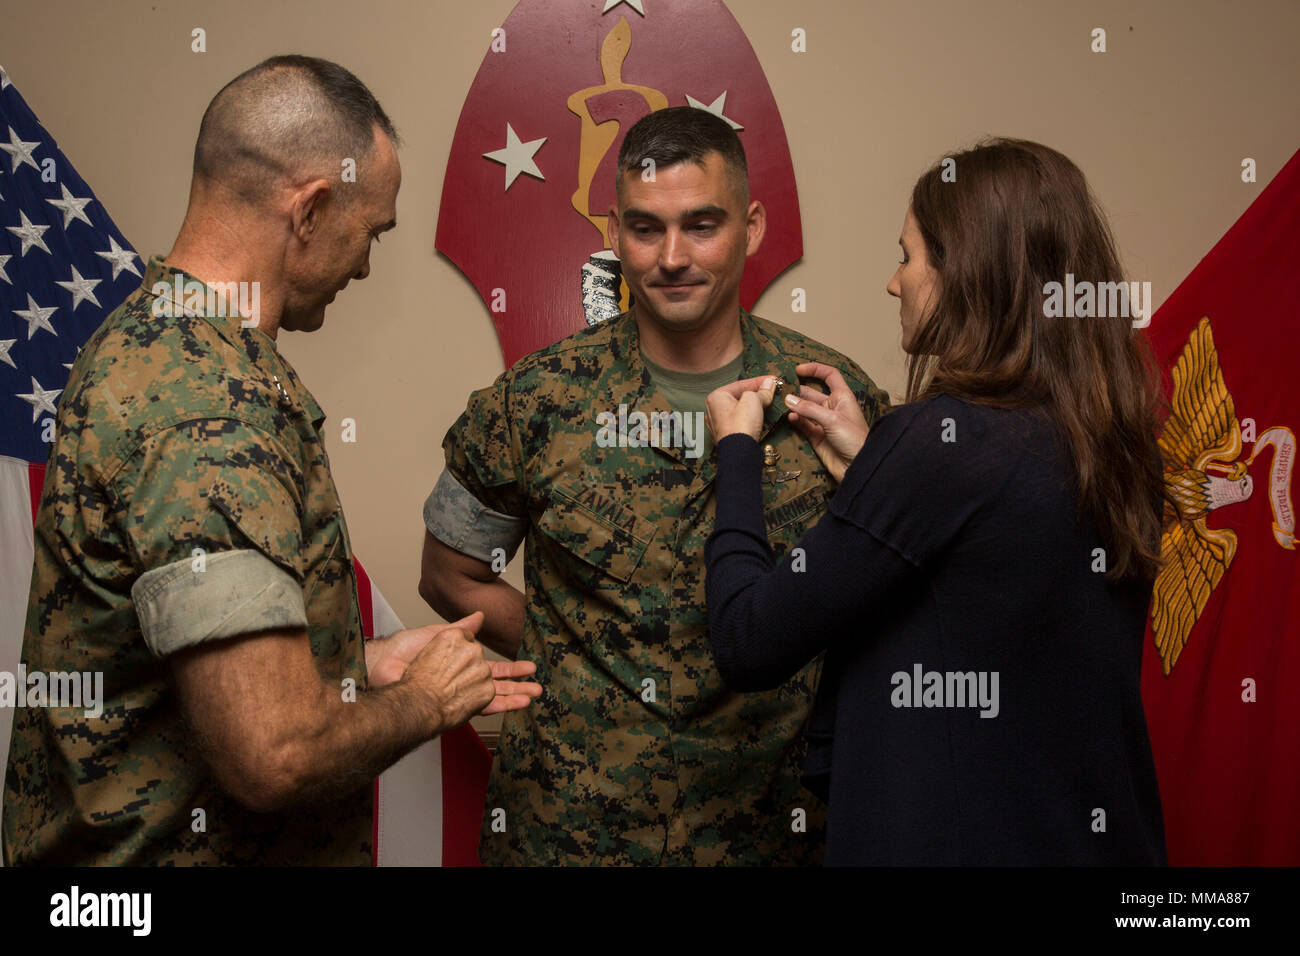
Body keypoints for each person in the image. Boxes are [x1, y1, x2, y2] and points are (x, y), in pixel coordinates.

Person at [2, 55, 540, 866]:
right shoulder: (204, 403)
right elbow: (273, 755)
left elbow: (184, 678)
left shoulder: (156, 338)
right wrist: (428, 701)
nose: (364, 265)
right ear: (313, 208)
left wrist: (358, 665)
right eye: (372, 234)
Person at [419, 106, 891, 865]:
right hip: (570, 834)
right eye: (645, 228)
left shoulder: (833, 399)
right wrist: (580, 659)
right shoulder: (534, 401)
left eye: (702, 225)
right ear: (612, 231)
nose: (672, 257)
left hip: (773, 830)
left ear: (753, 225)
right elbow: (449, 575)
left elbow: (884, 597)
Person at [704, 138, 1169, 865]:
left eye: (908, 256)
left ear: (965, 275)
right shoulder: (1114, 444)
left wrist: (735, 453)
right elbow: (987, 576)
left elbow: (747, 638)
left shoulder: (938, 445)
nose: (896, 283)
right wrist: (876, 467)